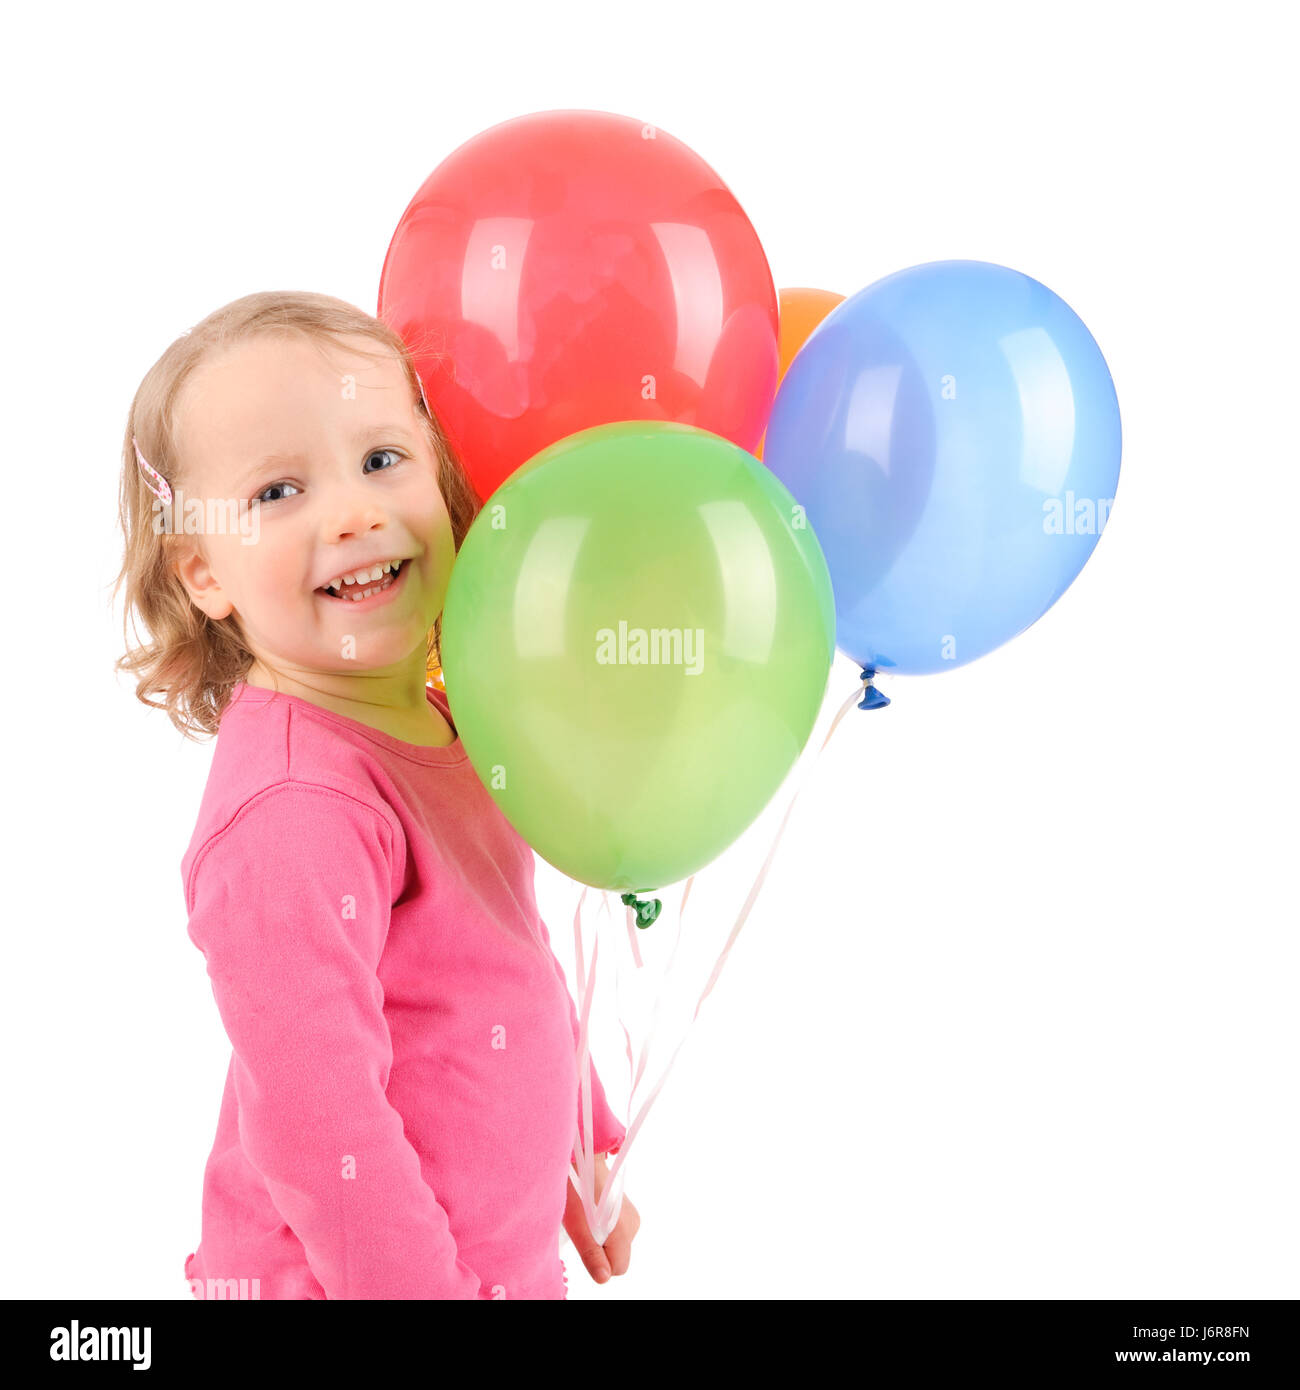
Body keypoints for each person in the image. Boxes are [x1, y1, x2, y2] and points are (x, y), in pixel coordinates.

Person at [114, 290, 638, 1299]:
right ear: (204, 572)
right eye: (276, 492)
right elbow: (321, 1124)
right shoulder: (296, 808)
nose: (352, 512)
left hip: (481, 1264)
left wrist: (580, 1137)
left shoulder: (444, 716)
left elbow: (501, 961)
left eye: (381, 460)